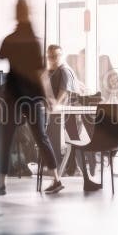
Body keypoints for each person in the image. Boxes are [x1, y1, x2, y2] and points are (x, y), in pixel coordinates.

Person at [0, 0, 63, 195]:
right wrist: (49, 97)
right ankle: (56, 179)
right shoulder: (34, 41)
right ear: (28, 12)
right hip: (32, 99)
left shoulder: (12, 39)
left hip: (15, 98)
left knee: (6, 139)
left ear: (16, 13)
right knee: (41, 137)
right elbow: (42, 74)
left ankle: (0, 184)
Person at [46, 44, 102, 192]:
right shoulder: (55, 71)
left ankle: (79, 179)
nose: (52, 58)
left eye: (56, 55)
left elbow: (64, 92)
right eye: (50, 55)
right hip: (67, 115)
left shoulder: (64, 70)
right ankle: (83, 180)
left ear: (61, 55)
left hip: (70, 115)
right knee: (76, 148)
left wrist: (55, 105)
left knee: (76, 146)